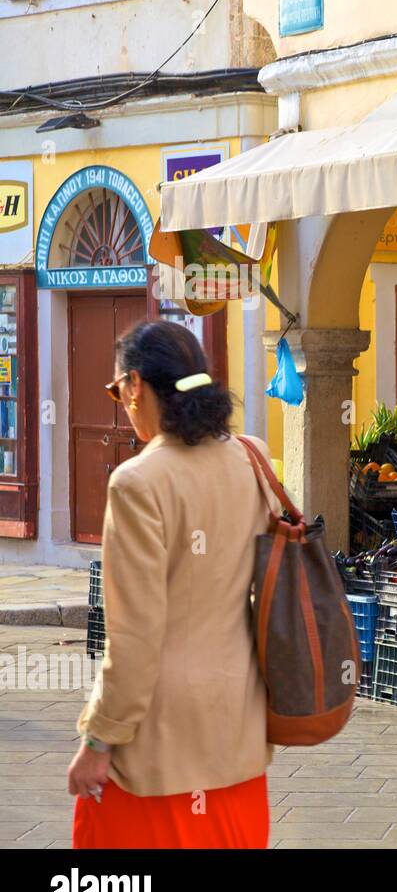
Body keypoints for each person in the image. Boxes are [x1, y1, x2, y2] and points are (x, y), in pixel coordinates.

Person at [67, 320, 274, 849]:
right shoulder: (252, 458)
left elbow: (134, 638)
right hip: (236, 734)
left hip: (157, 751)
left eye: (116, 390)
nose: (119, 402)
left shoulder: (138, 482)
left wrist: (98, 738)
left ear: (136, 386)